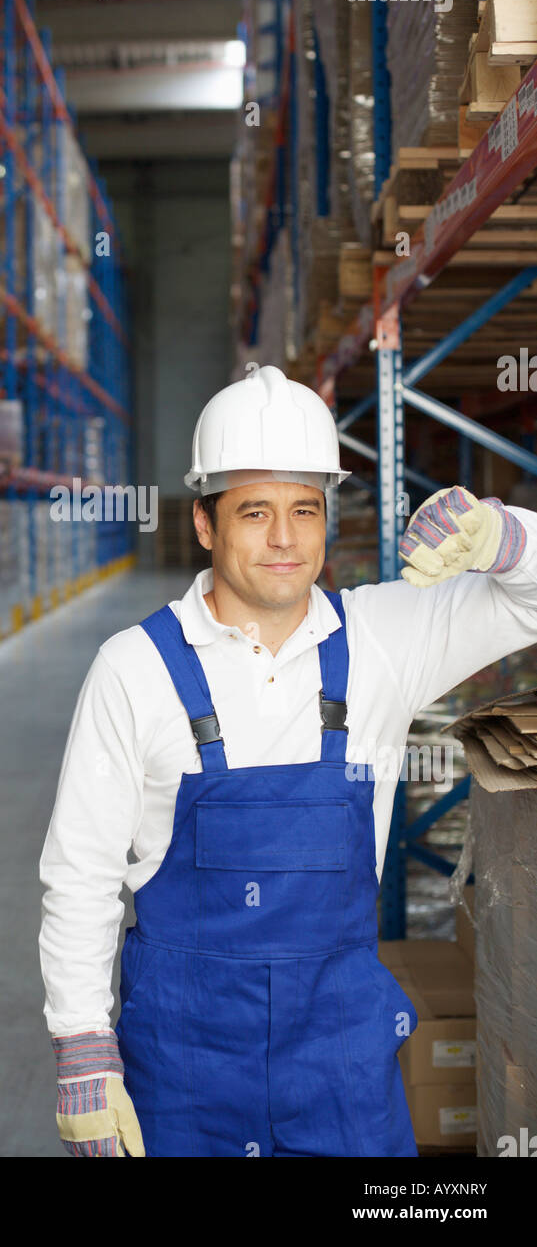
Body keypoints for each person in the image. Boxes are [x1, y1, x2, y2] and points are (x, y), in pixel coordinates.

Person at [38, 364, 537, 1157]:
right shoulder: (131, 668)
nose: (283, 538)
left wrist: (499, 534)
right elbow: (81, 873)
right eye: (255, 511)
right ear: (205, 524)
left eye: (304, 510)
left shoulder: (380, 640)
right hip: (183, 1069)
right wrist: (81, 1048)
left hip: (339, 1068)